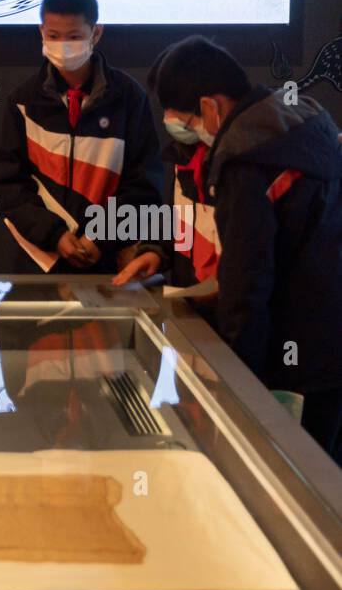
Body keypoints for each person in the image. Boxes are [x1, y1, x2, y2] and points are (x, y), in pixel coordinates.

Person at [145, 36, 342, 464]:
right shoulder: (302, 118)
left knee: (288, 485)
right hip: (329, 348)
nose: (180, 129)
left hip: (295, 358)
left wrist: (234, 384)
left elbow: (247, 284)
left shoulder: (245, 160)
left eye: (183, 118)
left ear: (211, 107)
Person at [0, 0, 167, 274]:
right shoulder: (22, 101)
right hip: (41, 263)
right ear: (41, 33)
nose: (63, 45)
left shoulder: (129, 98)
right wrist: (55, 234)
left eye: (73, 36)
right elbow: (10, 185)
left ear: (96, 34)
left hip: (108, 261)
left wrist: (99, 235)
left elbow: (144, 185)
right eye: (53, 36)